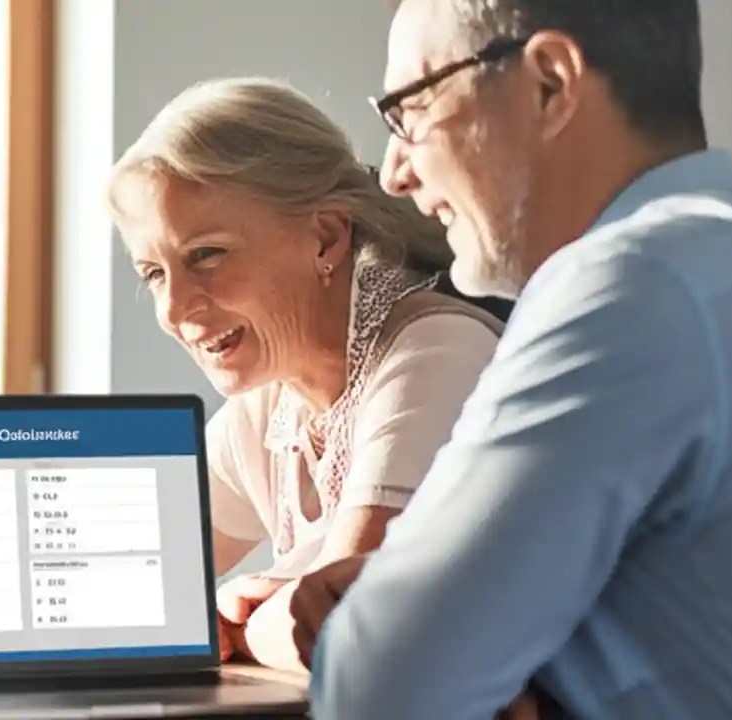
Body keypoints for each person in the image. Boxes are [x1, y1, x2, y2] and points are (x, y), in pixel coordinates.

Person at [291, 1, 732, 718]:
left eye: (410, 108)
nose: (394, 174)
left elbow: (380, 688)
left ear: (549, 83)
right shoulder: (719, 259)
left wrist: (404, 629)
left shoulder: (626, 286)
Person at [105, 77, 507, 672]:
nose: (174, 310)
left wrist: (246, 626)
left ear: (325, 236)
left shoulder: (434, 352)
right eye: (154, 273)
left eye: (206, 255)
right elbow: (123, 583)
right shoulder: (273, 400)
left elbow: (351, 629)